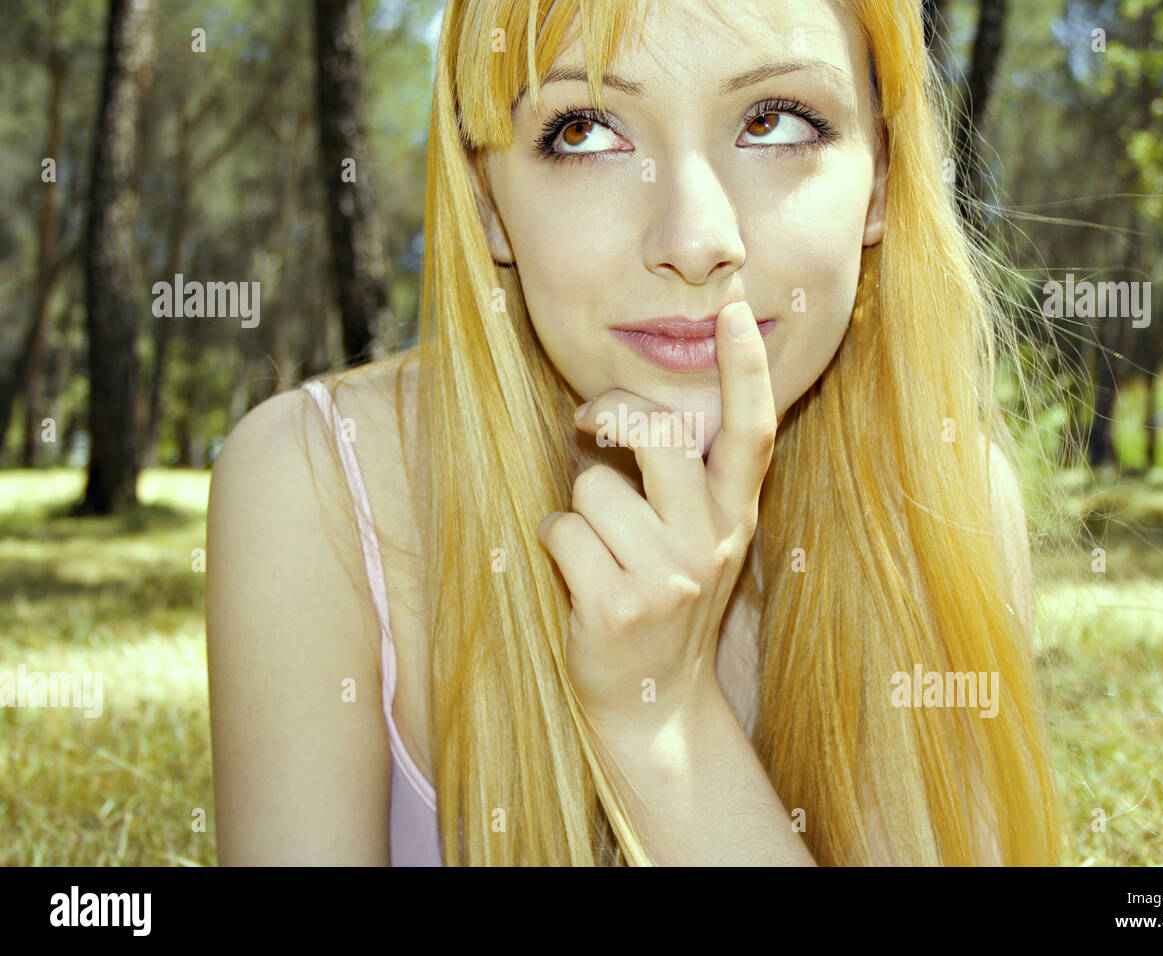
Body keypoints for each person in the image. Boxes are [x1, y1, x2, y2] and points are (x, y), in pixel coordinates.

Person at [206, 0, 1063, 865]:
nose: (694, 240)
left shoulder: (947, 509)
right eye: (584, 132)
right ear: (489, 205)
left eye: (774, 123)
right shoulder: (315, 486)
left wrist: (663, 722)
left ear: (881, 182)